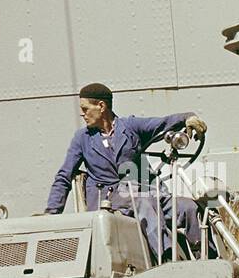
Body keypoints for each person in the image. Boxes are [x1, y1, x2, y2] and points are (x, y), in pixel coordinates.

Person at [45, 82, 208, 259]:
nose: (82, 113)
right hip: (110, 201)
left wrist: (188, 118)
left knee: (189, 207)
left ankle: (207, 260)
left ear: (101, 106)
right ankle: (168, 258)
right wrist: (52, 213)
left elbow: (162, 123)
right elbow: (64, 176)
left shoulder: (130, 127)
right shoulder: (81, 139)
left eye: (85, 108)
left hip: (144, 194)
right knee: (141, 201)